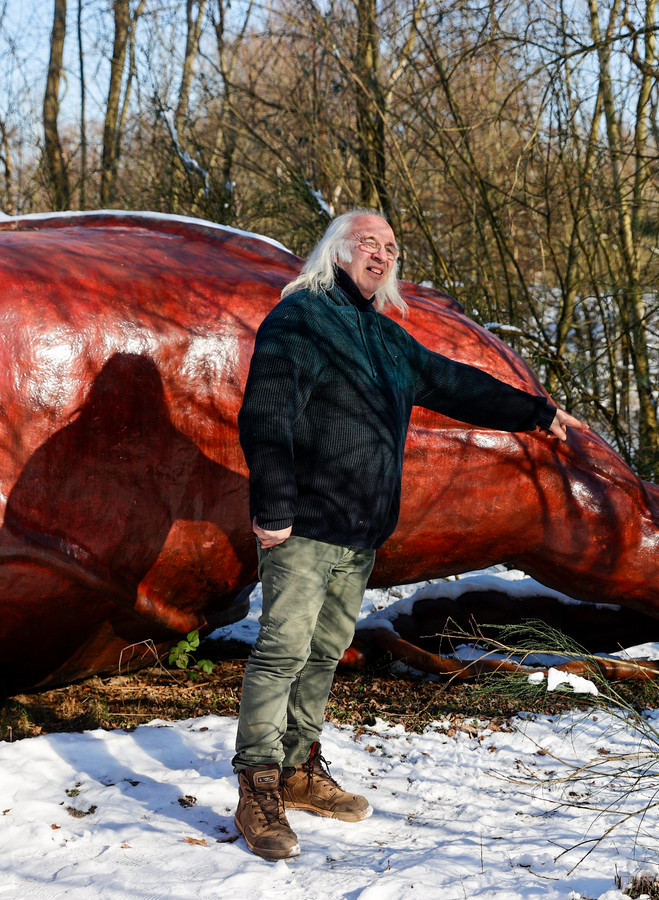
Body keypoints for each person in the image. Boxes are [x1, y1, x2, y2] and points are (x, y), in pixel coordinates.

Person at [233, 208, 583, 860]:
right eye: (368, 241)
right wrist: (275, 506)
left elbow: (457, 384)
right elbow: (266, 416)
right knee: (282, 652)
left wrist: (534, 412)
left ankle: (297, 768)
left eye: (391, 246)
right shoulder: (300, 319)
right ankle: (256, 786)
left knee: (321, 654)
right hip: (303, 526)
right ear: (334, 250)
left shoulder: (389, 342)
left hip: (358, 533)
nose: (382, 253)